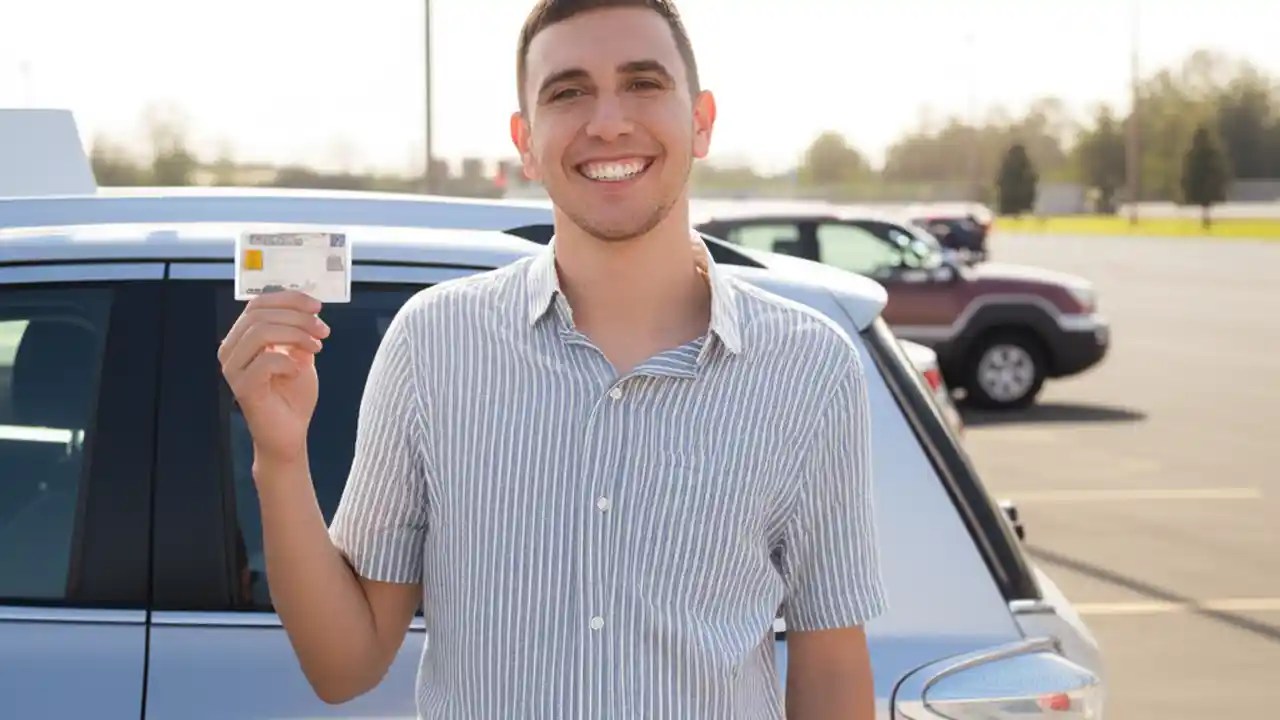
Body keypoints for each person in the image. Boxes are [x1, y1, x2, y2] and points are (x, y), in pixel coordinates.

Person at [216, 0, 887, 717]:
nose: (607, 121)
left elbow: (832, 668)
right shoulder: (432, 346)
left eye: (642, 83)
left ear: (702, 121)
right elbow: (342, 667)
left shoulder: (811, 368)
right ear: (526, 141)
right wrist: (280, 458)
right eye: (568, 92)